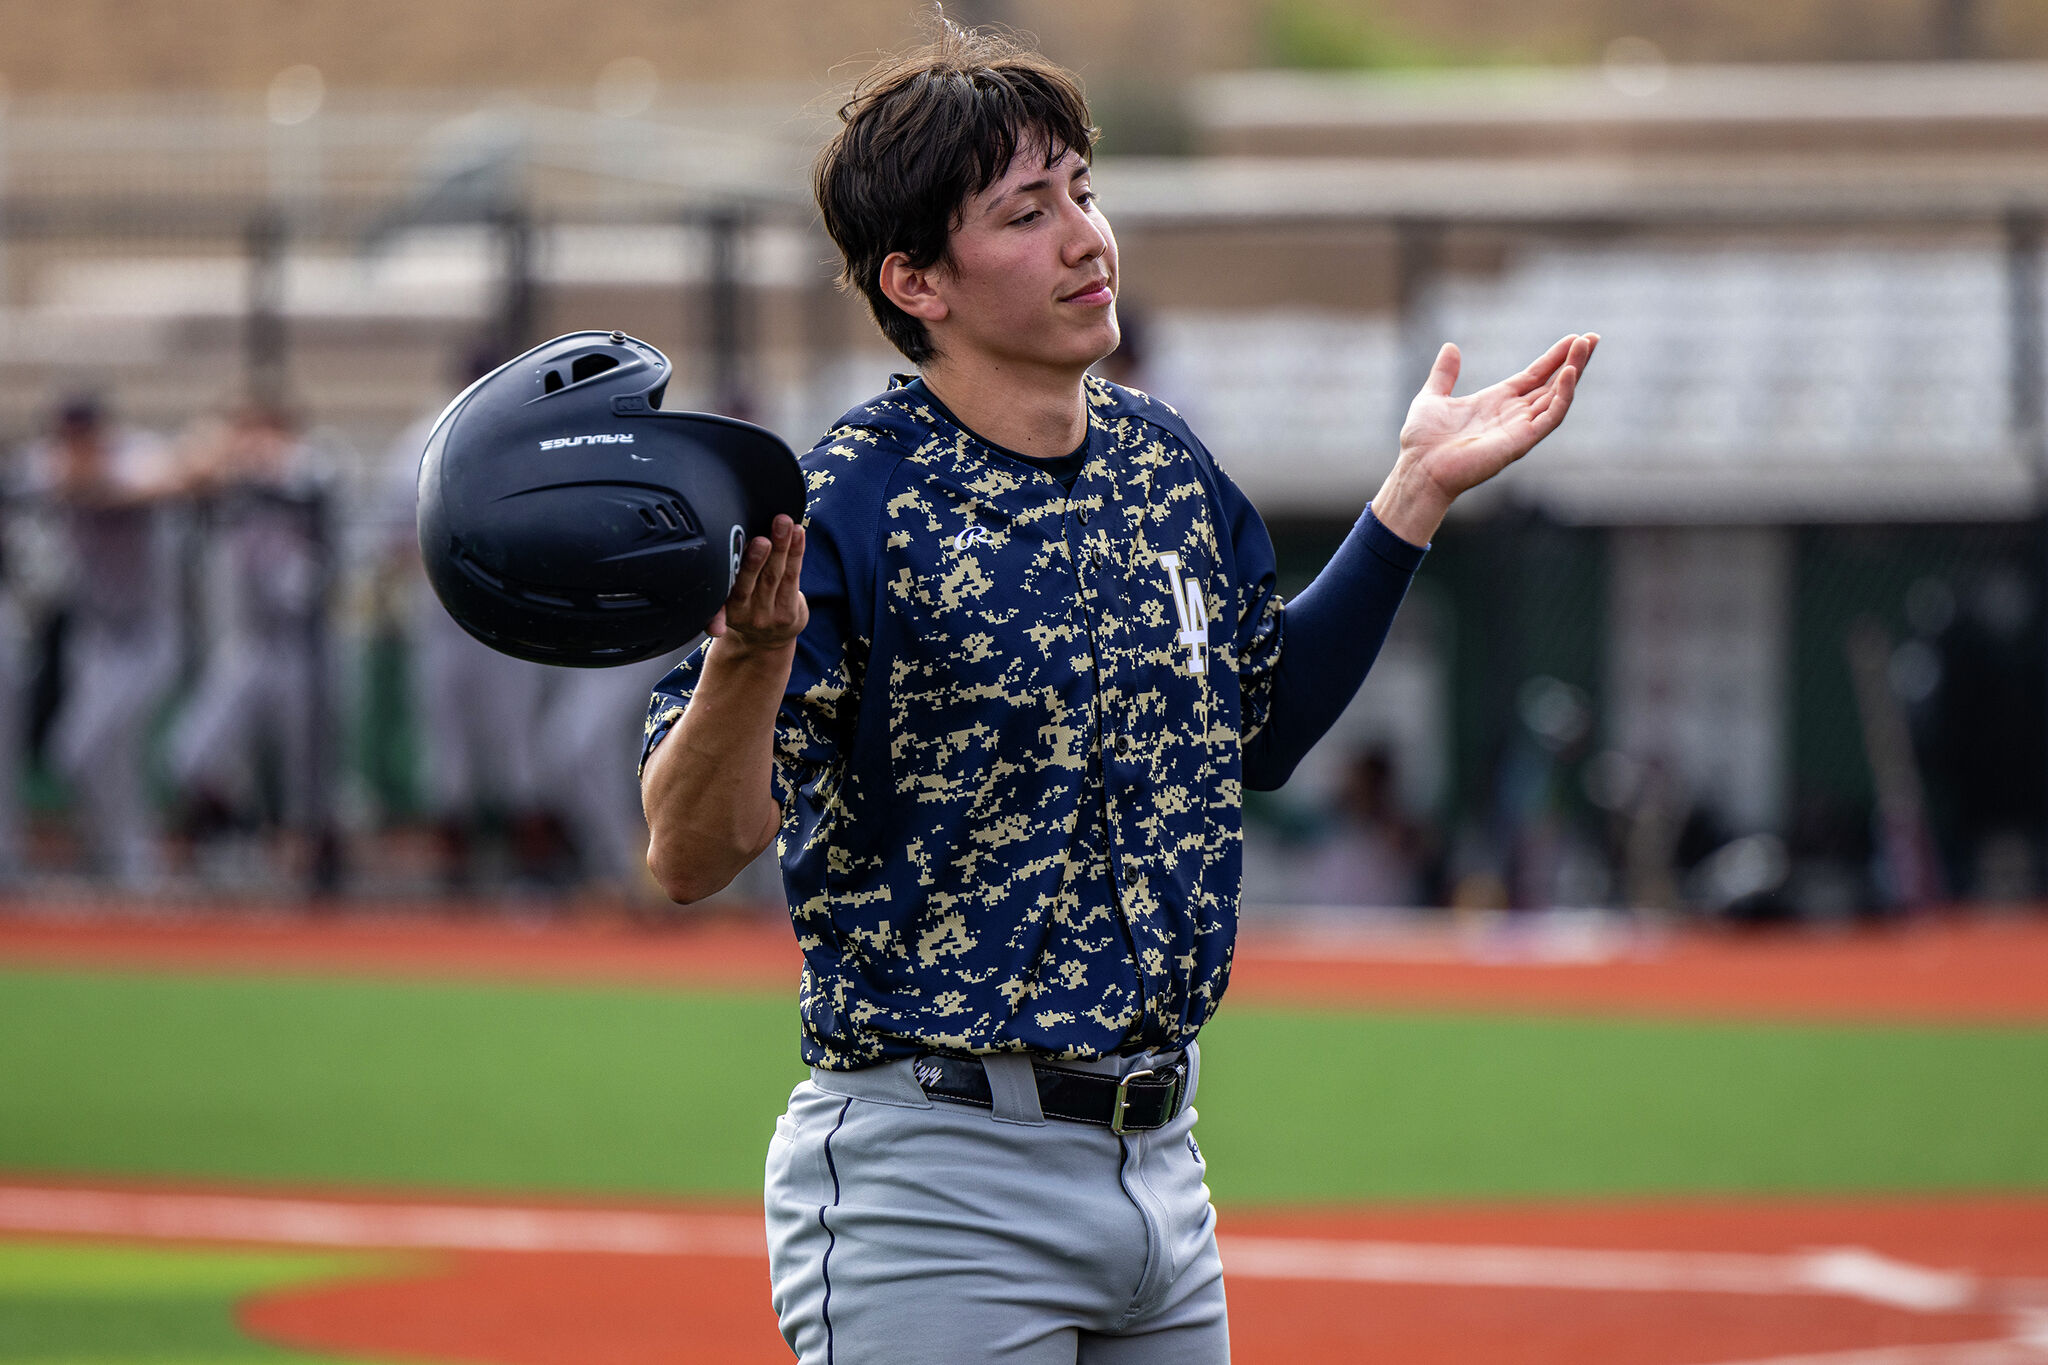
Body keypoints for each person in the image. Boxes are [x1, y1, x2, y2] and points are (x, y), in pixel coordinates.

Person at [639, 27, 1596, 1365]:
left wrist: (1411, 500)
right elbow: (690, 849)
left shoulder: (1164, 463)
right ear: (916, 280)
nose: (1087, 237)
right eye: (1027, 213)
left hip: (1161, 1171)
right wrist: (747, 656)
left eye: (1083, 190)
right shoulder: (850, 502)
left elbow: (1260, 728)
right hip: (938, 1186)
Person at [165, 403, 337, 890]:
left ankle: (313, 881)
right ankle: (238, 837)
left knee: (309, 775)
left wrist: (264, 458)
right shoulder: (233, 472)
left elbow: (307, 479)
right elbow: (188, 466)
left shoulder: (311, 465)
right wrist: (230, 452)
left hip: (309, 648)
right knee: (192, 753)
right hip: (252, 644)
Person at [18, 395, 187, 890]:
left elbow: (173, 477)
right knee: (87, 754)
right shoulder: (49, 464)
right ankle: (125, 857)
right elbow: (48, 478)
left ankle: (130, 858)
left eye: (83, 434)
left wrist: (103, 486)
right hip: (94, 638)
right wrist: (84, 483)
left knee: (95, 749)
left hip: (147, 634)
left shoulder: (134, 455)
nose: (75, 444)